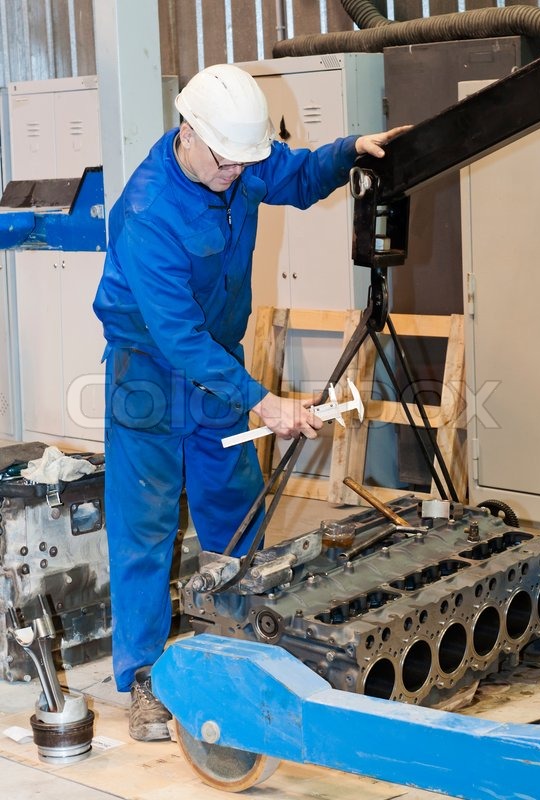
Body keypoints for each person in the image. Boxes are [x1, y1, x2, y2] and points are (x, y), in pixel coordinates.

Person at [93, 63, 410, 742]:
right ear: (189, 134)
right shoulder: (148, 211)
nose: (237, 174)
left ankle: (241, 643)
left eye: (244, 162)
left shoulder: (236, 164)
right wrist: (262, 400)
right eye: (226, 161)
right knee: (145, 530)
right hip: (148, 375)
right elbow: (176, 335)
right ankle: (145, 676)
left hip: (217, 365)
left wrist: (351, 150)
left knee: (234, 511)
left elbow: (295, 175)